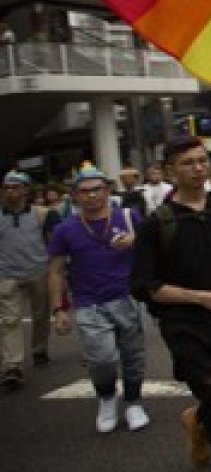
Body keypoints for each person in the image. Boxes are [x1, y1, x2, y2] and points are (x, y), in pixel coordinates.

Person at [130, 136, 211, 472]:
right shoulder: (158, 223)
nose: (198, 167)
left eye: (202, 160)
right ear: (170, 171)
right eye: (188, 162)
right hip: (185, 324)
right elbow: (146, 287)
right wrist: (202, 298)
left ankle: (196, 422)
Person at [46, 167, 149, 433]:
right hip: (88, 302)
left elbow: (154, 242)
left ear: (107, 190)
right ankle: (106, 398)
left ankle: (134, 402)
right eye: (85, 191)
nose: (92, 196)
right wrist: (59, 309)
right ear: (75, 196)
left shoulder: (128, 216)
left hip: (128, 296)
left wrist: (135, 238)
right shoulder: (64, 229)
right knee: (100, 359)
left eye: (97, 189)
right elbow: (56, 271)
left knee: (133, 355)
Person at [0, 170, 58, 390]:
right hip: (6, 274)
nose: (10, 191)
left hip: (38, 271)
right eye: (6, 188)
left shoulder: (43, 214)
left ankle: (39, 349)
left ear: (25, 190)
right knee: (10, 320)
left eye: (15, 187)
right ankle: (12, 366)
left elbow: (54, 244)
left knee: (41, 315)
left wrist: (57, 270)